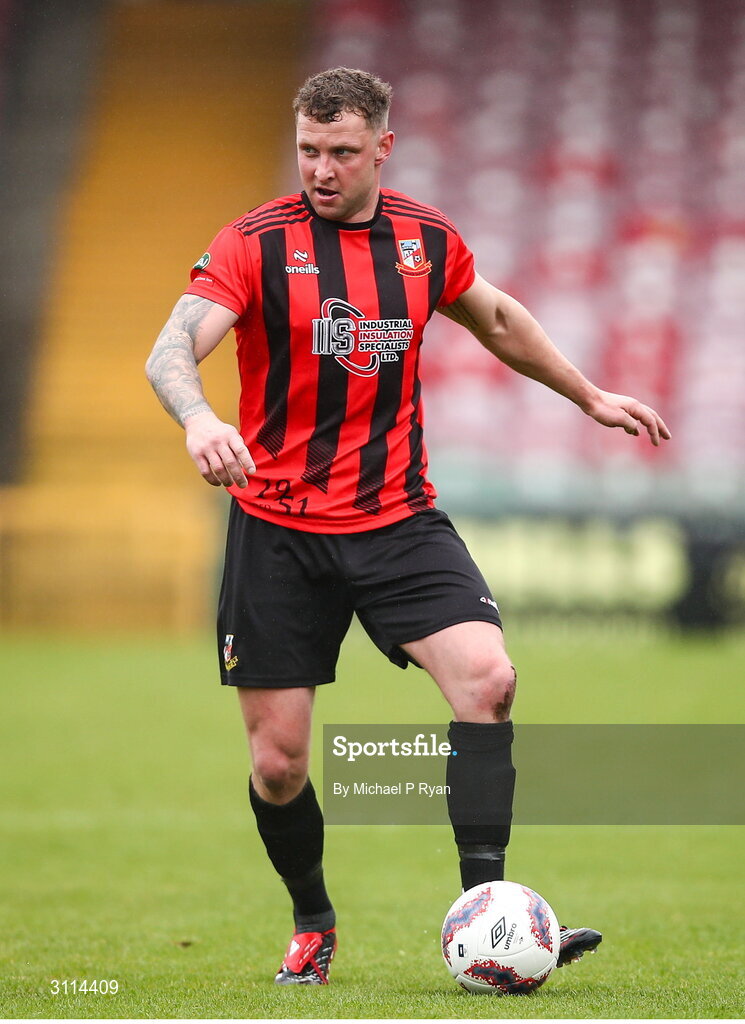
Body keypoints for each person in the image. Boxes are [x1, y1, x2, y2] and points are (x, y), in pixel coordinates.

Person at [145, 67, 670, 986]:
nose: (320, 168)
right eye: (308, 150)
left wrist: (588, 396)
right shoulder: (255, 243)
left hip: (397, 518)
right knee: (277, 764)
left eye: (341, 152)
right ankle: (312, 917)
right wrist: (198, 417)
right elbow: (171, 347)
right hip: (278, 528)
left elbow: (497, 317)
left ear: (381, 148)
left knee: (490, 680)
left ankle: (493, 917)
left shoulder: (424, 241)